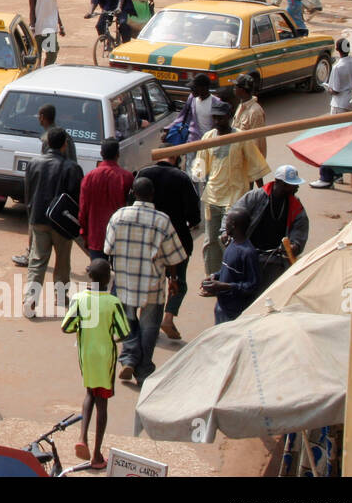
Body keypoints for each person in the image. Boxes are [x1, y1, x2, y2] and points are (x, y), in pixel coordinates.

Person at [104, 177, 187, 385]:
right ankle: (143, 370)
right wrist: (174, 280)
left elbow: (108, 249)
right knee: (150, 327)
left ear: (133, 193)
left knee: (128, 320)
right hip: (152, 283)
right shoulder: (162, 220)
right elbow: (173, 257)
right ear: (152, 195)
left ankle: (129, 358)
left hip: (124, 280)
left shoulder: (118, 216)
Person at [60, 257, 130, 471]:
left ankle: (82, 437)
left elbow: (67, 327)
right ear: (109, 278)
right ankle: (97, 454)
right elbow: (124, 332)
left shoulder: (79, 299)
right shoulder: (113, 302)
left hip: (86, 356)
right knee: (103, 402)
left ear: (89, 275)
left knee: (90, 393)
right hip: (105, 357)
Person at [191, 98, 269, 276]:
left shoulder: (241, 137)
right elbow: (200, 168)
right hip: (212, 196)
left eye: (221, 118)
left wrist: (263, 193)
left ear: (229, 117)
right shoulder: (208, 137)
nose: (217, 122)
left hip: (234, 197)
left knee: (227, 240)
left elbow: (256, 165)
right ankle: (211, 276)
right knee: (210, 241)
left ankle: (229, 277)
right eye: (215, 118)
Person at [137, 155, 201, 342]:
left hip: (148, 240)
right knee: (178, 282)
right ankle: (168, 318)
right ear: (176, 159)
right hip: (178, 240)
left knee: (150, 283)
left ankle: (146, 323)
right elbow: (194, 215)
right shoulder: (182, 177)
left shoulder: (144, 173)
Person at [21, 127, 84, 318]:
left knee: (37, 260)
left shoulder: (34, 163)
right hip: (62, 222)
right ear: (65, 145)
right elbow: (77, 198)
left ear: (47, 143)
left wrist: (31, 215)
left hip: (38, 218)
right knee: (63, 261)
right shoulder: (72, 168)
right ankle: (62, 297)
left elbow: (27, 191)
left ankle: (30, 300)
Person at [229, 165, 309, 294]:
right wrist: (225, 232)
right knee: (244, 291)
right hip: (249, 254)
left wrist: (295, 245)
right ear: (279, 183)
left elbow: (300, 227)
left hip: (276, 259)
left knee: (270, 294)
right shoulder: (256, 196)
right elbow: (233, 214)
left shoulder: (295, 204)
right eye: (292, 184)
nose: (296, 187)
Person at [200, 209, 260, 323]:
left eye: (226, 222)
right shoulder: (232, 244)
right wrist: (214, 276)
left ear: (233, 225)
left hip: (235, 313)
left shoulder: (248, 253)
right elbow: (227, 270)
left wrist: (224, 286)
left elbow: (252, 285)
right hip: (222, 306)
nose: (224, 225)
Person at [78, 138, 133, 260]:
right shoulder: (127, 177)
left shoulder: (89, 177)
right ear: (118, 155)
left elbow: (83, 210)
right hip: (119, 237)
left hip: (96, 237)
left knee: (98, 275)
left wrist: (85, 233)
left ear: (101, 154)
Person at [163, 73, 218, 188]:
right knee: (192, 177)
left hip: (210, 144)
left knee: (208, 178)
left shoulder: (216, 102)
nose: (191, 89)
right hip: (193, 142)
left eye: (194, 87)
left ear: (204, 88)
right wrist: (168, 129)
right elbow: (182, 116)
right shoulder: (192, 99)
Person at [29, 0, 63, 65]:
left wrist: (61, 25)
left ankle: (46, 71)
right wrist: (33, 25)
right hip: (39, 27)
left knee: (51, 53)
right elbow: (32, 8)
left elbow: (54, 7)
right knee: (37, 55)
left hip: (50, 27)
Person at [322, 37, 352, 115]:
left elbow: (335, 90)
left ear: (337, 49)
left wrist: (328, 89)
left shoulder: (337, 67)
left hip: (340, 105)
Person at [231, 73, 267, 160]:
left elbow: (257, 142)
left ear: (243, 90)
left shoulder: (255, 112)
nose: (234, 89)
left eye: (236, 87)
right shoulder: (241, 105)